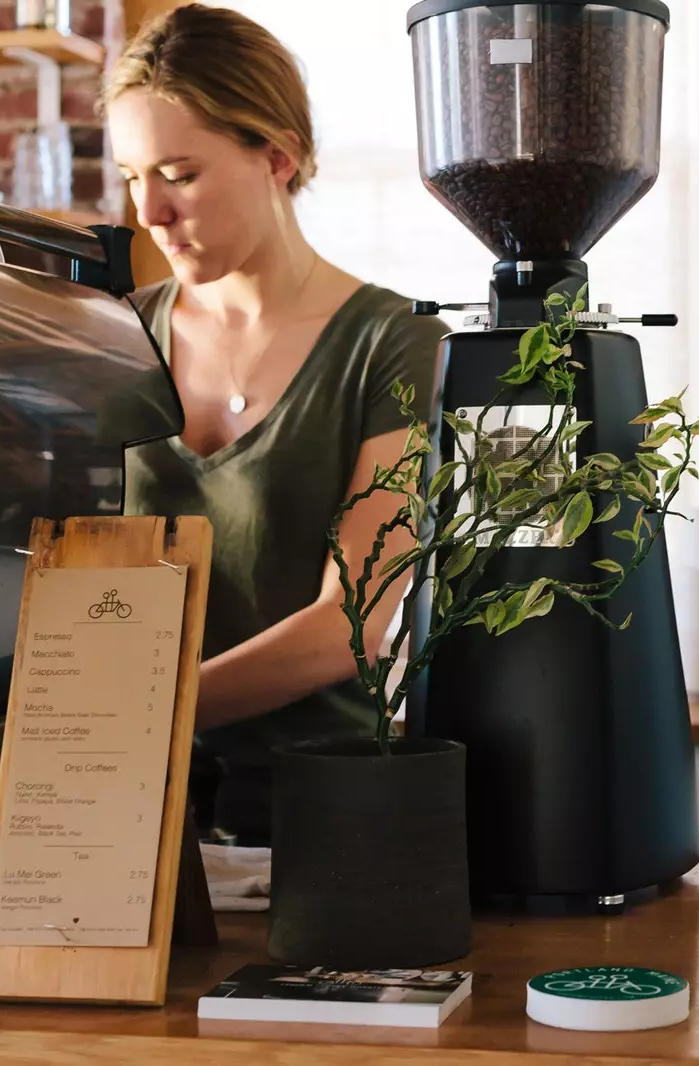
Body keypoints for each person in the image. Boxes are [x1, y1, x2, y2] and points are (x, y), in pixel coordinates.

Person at [102, 3, 445, 847]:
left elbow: (352, 626)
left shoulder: (394, 342)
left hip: (325, 820)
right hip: (135, 819)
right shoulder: (113, 337)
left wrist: (138, 718)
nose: (150, 211)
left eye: (179, 174)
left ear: (277, 157)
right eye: (132, 174)